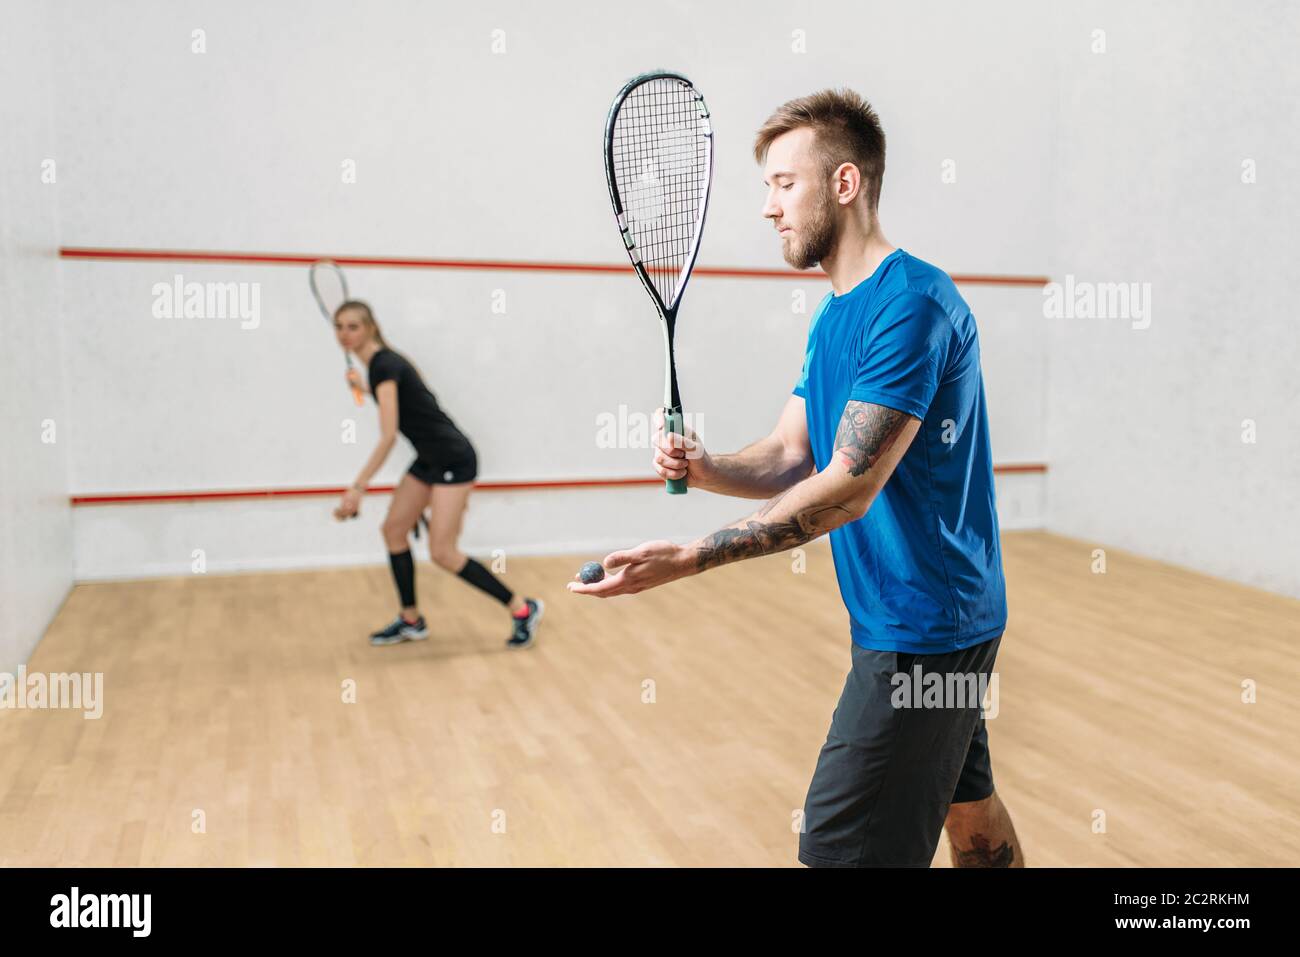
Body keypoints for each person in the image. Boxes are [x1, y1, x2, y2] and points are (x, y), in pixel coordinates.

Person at [569, 89, 1023, 867]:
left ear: (844, 185)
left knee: (839, 849)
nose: (768, 208)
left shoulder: (912, 306)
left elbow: (849, 485)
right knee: (968, 810)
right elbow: (792, 451)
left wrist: (691, 557)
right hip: (914, 617)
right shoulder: (834, 316)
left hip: (925, 631)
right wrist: (707, 467)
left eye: (784, 184)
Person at [331, 300, 543, 649]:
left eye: (353, 326)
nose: (344, 334)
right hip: (429, 459)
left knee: (443, 552)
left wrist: (358, 488)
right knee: (394, 530)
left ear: (370, 327)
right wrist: (364, 390)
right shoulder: (383, 365)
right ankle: (411, 620)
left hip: (453, 460)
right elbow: (412, 405)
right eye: (339, 326)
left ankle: (522, 609)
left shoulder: (384, 365)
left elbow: (388, 435)